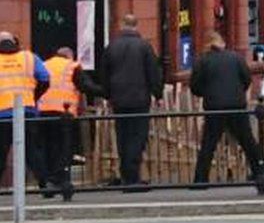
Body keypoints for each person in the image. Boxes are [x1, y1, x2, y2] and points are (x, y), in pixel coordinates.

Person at [190, 32, 264, 188]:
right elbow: (246, 78)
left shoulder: (202, 61)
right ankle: (260, 172)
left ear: (208, 45)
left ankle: (200, 180)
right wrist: (238, 92)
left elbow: (195, 85)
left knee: (208, 144)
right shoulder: (236, 57)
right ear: (221, 43)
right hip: (236, 104)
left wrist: (207, 93)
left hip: (214, 106)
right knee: (248, 141)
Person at [100, 14, 163, 192]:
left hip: (119, 99)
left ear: (122, 25)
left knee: (123, 137)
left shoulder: (111, 47)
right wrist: (157, 94)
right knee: (137, 137)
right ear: (136, 26)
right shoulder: (144, 46)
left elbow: (103, 74)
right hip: (139, 98)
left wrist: (108, 95)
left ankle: (127, 176)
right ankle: (132, 177)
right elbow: (153, 72)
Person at [37, 47, 101, 195]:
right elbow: (86, 86)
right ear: (69, 56)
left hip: (43, 112)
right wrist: (106, 92)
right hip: (64, 113)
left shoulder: (44, 65)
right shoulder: (72, 66)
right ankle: (61, 180)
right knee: (64, 148)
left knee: (47, 147)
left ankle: (47, 182)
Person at [0, 32, 50, 192]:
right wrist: (34, 97)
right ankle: (44, 184)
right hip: (26, 110)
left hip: (2, 113)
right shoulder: (30, 58)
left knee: (1, 151)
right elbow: (45, 79)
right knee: (32, 150)